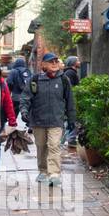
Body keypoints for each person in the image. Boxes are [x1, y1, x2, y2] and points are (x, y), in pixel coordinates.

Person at [28, 52, 75, 187]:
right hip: (38, 120)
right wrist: (25, 112)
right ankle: (43, 171)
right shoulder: (35, 79)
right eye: (51, 62)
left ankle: (54, 173)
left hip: (56, 120)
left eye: (56, 61)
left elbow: (70, 100)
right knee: (41, 147)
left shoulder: (64, 79)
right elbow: (26, 97)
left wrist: (71, 119)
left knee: (54, 145)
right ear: (43, 64)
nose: (54, 64)